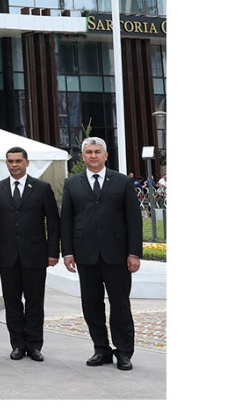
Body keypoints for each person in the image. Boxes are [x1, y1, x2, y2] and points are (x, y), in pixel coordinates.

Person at [62, 136, 142, 371]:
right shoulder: (72, 183)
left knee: (120, 305)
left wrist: (134, 252)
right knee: (92, 305)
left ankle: (124, 352)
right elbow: (66, 219)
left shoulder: (121, 182)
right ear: (83, 156)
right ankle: (101, 349)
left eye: (98, 151)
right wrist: (67, 252)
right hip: (85, 255)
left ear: (106, 155)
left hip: (116, 255)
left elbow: (134, 220)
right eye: (89, 152)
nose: (93, 156)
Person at [0, 146, 60, 362]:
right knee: (12, 303)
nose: (14, 165)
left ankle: (35, 345)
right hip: (7, 256)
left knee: (35, 303)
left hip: (35, 256)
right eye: (10, 161)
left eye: (18, 161)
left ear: (27, 162)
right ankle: (17, 345)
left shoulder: (41, 188)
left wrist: (52, 252)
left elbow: (54, 222)